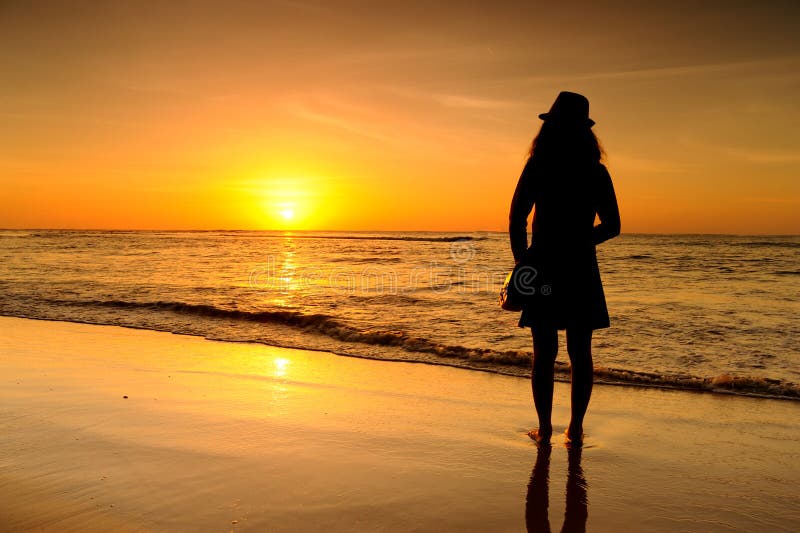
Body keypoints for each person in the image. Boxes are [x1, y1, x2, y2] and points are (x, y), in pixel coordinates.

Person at [509, 91, 620, 446]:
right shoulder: (595, 171)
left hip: (542, 262)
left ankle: (544, 429)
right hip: (580, 267)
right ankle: (575, 429)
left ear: (550, 127)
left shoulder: (538, 165)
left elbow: (516, 218)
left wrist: (523, 261)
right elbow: (613, 225)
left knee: (544, 352)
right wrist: (582, 241)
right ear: (584, 130)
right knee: (580, 352)